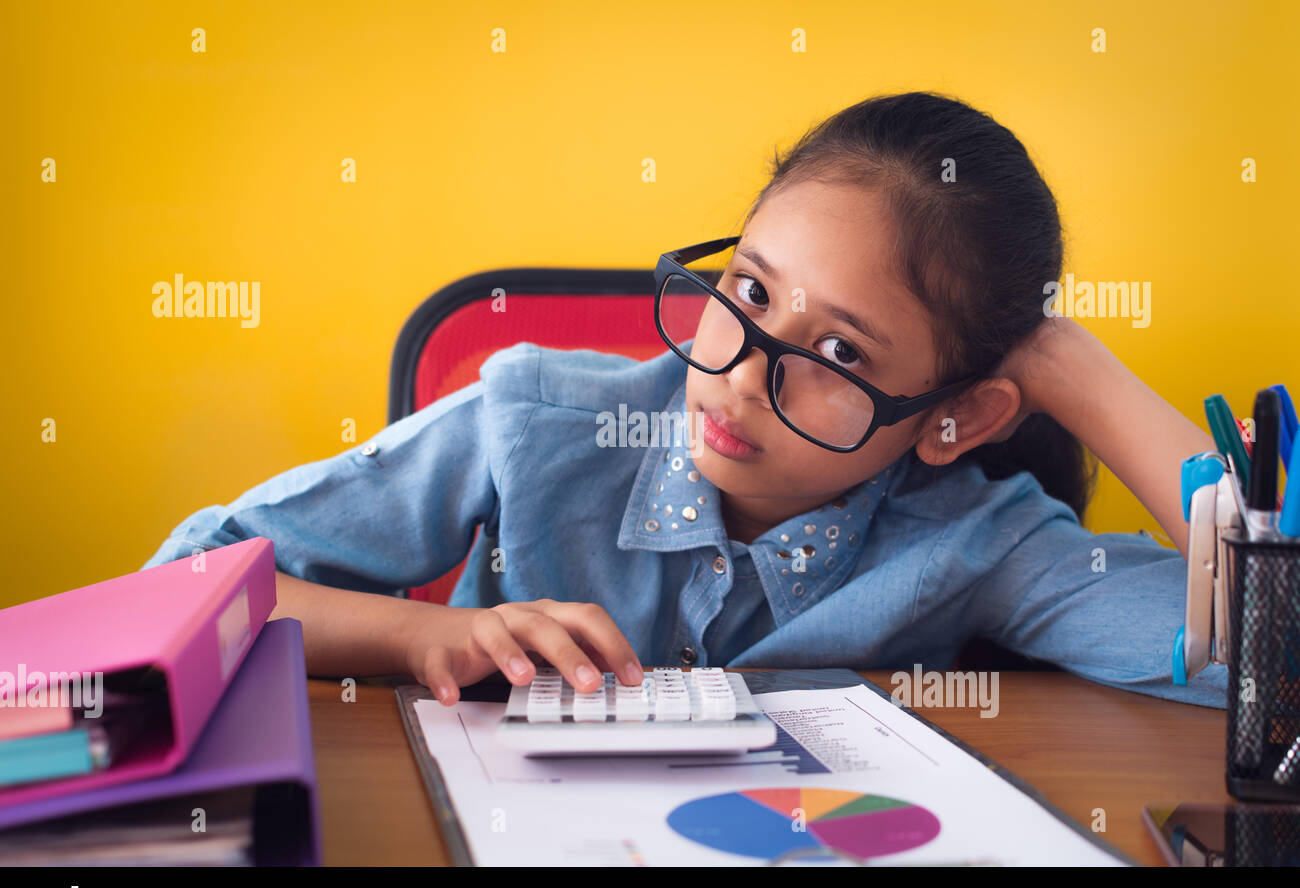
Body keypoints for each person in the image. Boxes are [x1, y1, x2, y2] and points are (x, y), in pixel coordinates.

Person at [141, 91, 1227, 710]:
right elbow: (179, 589)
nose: (741, 373)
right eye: (746, 289)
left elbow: (1274, 668)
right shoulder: (532, 421)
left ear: (957, 415)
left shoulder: (979, 542)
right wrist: (431, 636)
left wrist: (1072, 370)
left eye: (837, 348)